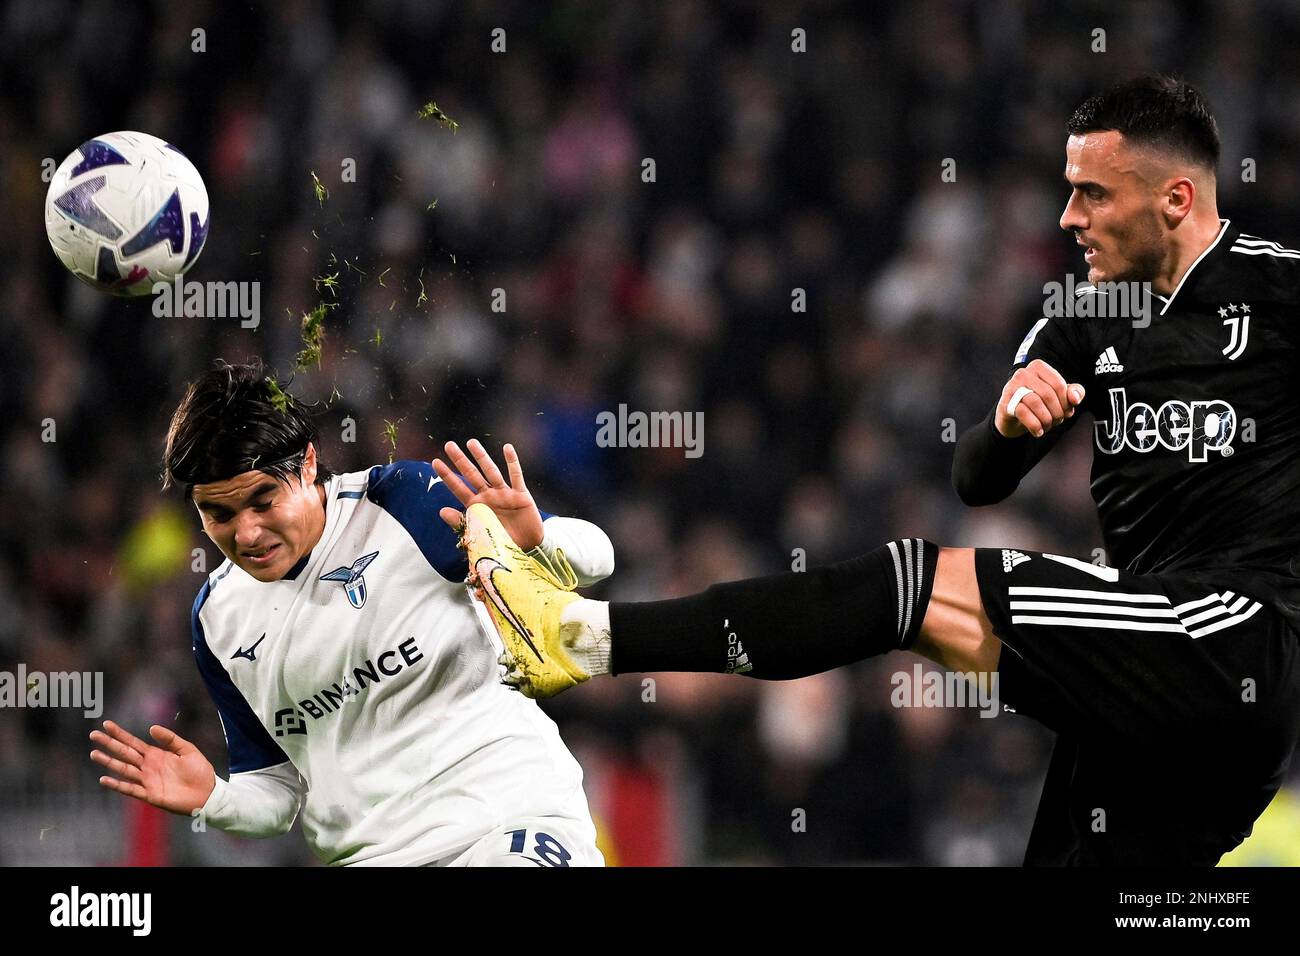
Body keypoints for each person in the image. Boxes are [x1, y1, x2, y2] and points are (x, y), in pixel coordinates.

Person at [453, 75, 1300, 866]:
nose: (1069, 215)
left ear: (1177, 198)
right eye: (1068, 187)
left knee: (909, 585)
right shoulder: (1082, 315)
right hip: (1137, 697)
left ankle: (580, 633)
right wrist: (1008, 426)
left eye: (1093, 192)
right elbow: (978, 479)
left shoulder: (1281, 292)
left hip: (1234, 641)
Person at [90, 358, 614, 866]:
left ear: (309, 463)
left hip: (510, 823)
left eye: (263, 502)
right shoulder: (218, 620)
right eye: (218, 514)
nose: (245, 533)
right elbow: (275, 792)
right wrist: (214, 798)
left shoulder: (402, 505)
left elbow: (598, 555)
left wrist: (535, 539)